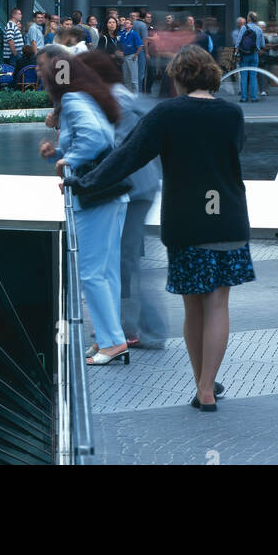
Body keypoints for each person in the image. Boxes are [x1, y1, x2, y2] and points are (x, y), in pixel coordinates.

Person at [75, 44, 254, 411]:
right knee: (219, 304)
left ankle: (201, 387)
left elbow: (129, 156)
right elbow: (235, 151)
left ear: (177, 78)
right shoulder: (232, 114)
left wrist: (87, 181)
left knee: (193, 307)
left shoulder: (167, 114)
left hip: (187, 220)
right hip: (230, 218)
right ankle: (208, 387)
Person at [38, 49, 129, 366]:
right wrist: (58, 152)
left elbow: (95, 138)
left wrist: (67, 160)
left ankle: (112, 342)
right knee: (106, 272)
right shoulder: (84, 97)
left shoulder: (74, 100)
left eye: (41, 68)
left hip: (96, 197)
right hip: (112, 194)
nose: (38, 73)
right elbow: (91, 137)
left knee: (91, 273)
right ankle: (111, 337)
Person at [80, 50, 167, 352]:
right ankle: (127, 325)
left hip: (135, 188)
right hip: (133, 188)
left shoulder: (116, 100)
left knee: (125, 261)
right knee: (122, 260)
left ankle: (141, 330)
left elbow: (117, 146)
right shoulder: (112, 96)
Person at [237, 13, 265, 103]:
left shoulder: (243, 28)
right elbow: (263, 44)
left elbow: (238, 42)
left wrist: (236, 52)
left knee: (244, 76)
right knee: (253, 76)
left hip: (244, 54)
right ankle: (254, 97)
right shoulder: (259, 29)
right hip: (254, 54)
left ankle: (244, 97)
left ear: (249, 18)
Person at [117, 16, 144, 93]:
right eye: (125, 23)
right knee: (126, 78)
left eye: (128, 23)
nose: (125, 24)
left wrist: (136, 55)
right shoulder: (121, 33)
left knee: (134, 78)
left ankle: (136, 96)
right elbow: (118, 43)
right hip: (124, 57)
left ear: (131, 25)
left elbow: (140, 46)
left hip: (131, 56)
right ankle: (128, 94)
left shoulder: (134, 34)